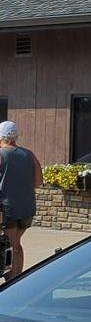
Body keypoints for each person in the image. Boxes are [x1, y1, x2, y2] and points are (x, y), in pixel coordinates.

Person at [0, 121, 43, 282]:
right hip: (27, 208)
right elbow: (38, 182)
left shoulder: (1, 154)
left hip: (7, 208)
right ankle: (17, 277)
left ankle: (11, 281)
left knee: (10, 244)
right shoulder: (29, 154)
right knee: (16, 243)